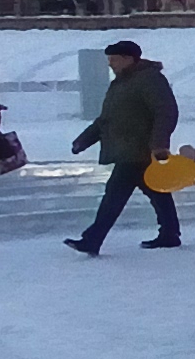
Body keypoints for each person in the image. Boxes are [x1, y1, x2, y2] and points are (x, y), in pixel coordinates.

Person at [65, 41, 180, 253]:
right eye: (109, 60)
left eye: (114, 59)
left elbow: (166, 112)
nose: (110, 64)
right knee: (157, 192)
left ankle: (93, 239)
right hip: (129, 149)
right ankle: (170, 234)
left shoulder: (149, 79)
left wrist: (159, 144)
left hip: (140, 150)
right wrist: (85, 139)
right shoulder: (121, 83)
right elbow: (106, 119)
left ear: (129, 59)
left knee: (114, 196)